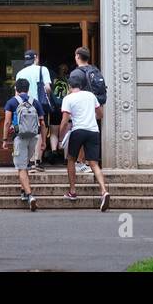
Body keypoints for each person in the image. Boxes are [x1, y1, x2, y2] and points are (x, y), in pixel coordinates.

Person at [58, 69, 110, 211]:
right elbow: (100, 114)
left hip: (78, 131)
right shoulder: (90, 95)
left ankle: (73, 191)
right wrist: (91, 116)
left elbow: (64, 120)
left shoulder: (68, 98)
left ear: (70, 86)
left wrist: (60, 136)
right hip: (93, 131)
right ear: (81, 85)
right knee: (93, 163)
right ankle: (104, 191)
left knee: (71, 159)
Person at [2, 77, 45, 211]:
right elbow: (42, 123)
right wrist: (43, 141)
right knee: (25, 165)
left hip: (19, 138)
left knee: (21, 168)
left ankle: (30, 195)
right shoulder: (35, 102)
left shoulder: (11, 102)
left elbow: (7, 122)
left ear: (16, 88)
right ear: (28, 89)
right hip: (33, 137)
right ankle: (23, 191)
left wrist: (4, 140)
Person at [14, 50, 51, 171]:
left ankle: (28, 161)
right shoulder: (43, 69)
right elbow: (47, 88)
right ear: (36, 58)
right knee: (40, 129)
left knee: (25, 130)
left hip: (24, 105)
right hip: (38, 104)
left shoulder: (20, 73)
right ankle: (37, 161)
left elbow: (17, 92)